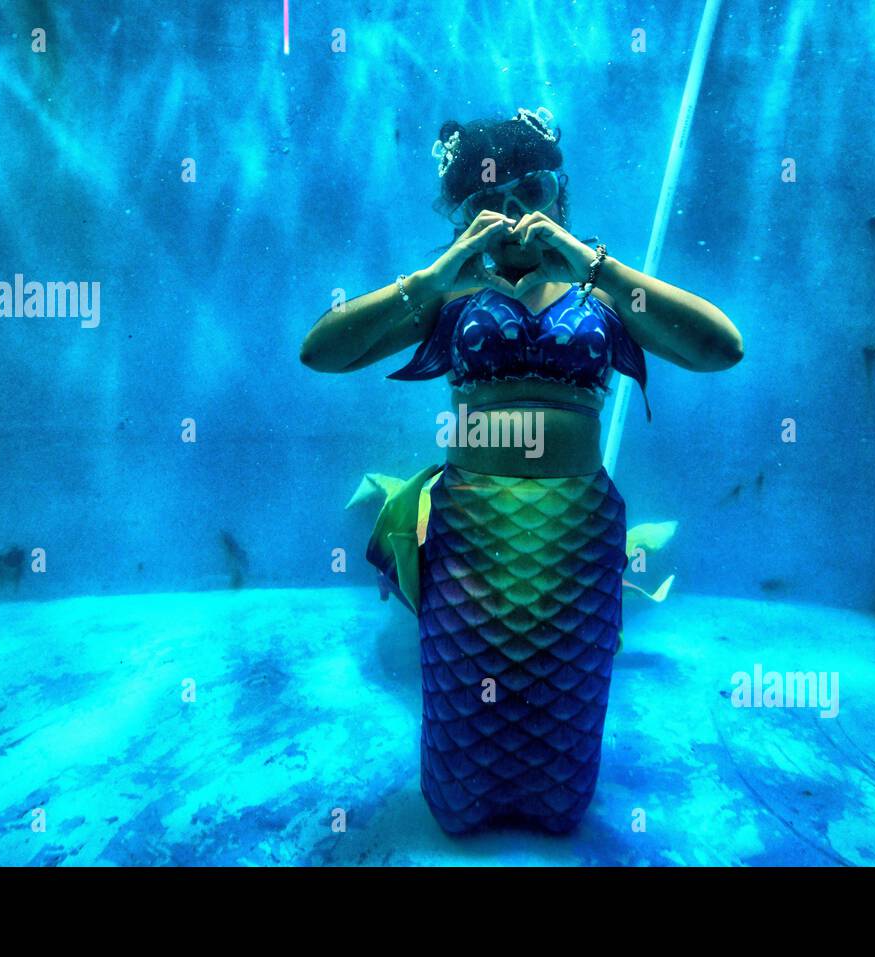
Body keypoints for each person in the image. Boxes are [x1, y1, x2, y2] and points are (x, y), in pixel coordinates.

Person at [300, 107, 742, 834]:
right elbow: (321, 350)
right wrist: (441, 270)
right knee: (460, 754)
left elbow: (722, 347)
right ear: (462, 210)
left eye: (529, 193)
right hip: (470, 533)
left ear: (558, 194)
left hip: (578, 535)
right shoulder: (449, 294)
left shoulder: (600, 291)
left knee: (562, 742)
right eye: (487, 201)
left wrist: (593, 263)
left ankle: (550, 800)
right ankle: (464, 798)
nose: (511, 214)